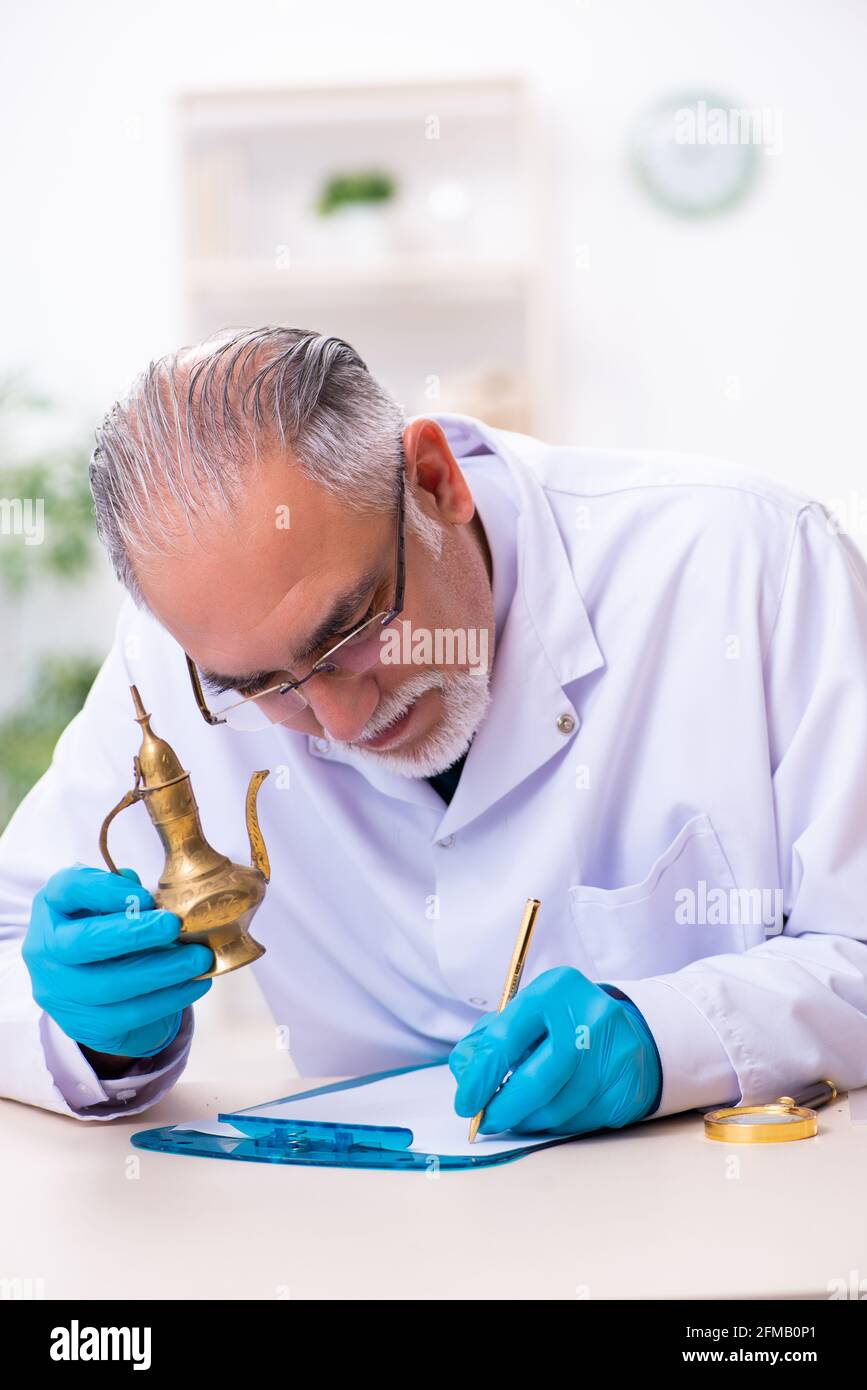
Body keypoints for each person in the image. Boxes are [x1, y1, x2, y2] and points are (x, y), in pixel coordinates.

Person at [2, 326, 866, 1138]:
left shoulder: (750, 564)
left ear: (432, 479)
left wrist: (666, 1035)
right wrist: (98, 1030)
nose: (341, 720)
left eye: (350, 631)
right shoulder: (185, 662)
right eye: (265, 686)